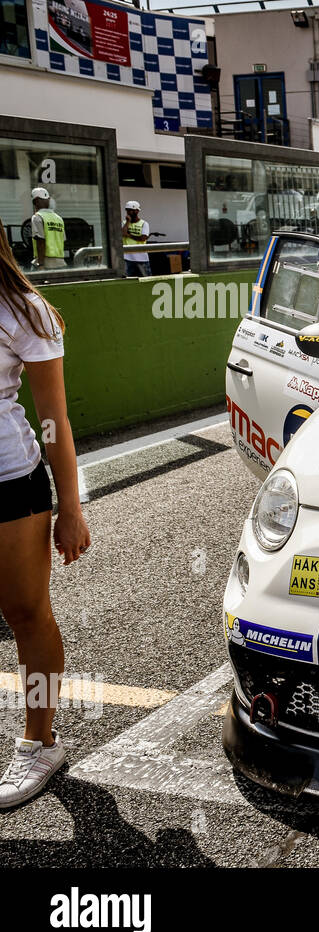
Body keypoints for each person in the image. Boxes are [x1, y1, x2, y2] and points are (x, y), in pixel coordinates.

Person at [0, 220, 90, 808]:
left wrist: (70, 507)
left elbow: (54, 419)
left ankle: (39, 742)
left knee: (26, 612)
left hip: (10, 482)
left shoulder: (23, 312)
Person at [28, 188, 66, 270]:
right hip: (61, 263)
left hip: (45, 263)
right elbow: (62, 240)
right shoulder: (59, 218)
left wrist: (40, 264)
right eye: (47, 199)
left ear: (35, 201)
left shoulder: (37, 217)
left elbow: (40, 241)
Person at [121, 200, 152, 278]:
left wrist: (128, 235)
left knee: (146, 279)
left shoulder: (144, 224)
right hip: (127, 258)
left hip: (142, 258)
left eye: (131, 210)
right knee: (126, 280)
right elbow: (122, 233)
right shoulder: (124, 223)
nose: (128, 212)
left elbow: (143, 238)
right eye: (127, 210)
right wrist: (128, 222)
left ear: (137, 211)